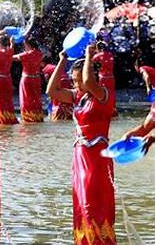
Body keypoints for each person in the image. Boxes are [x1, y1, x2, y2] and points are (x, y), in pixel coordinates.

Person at [46, 45, 116, 244]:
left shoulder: (103, 95)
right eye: (74, 81)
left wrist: (88, 55)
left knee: (94, 203)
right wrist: (62, 61)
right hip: (80, 155)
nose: (77, 85)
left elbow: (87, 80)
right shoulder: (77, 96)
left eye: (78, 81)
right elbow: (51, 90)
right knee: (81, 201)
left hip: (97, 157)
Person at [13, 36, 44, 122]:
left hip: (27, 80)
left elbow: (11, 57)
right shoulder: (39, 53)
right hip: (37, 79)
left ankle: (28, 119)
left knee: (26, 100)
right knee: (36, 100)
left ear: (28, 44)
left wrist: (11, 46)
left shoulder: (26, 54)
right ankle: (37, 118)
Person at [93, 41, 116, 116]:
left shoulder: (97, 56)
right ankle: (113, 110)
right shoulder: (110, 54)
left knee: (103, 95)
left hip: (103, 78)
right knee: (111, 94)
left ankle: (104, 111)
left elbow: (90, 62)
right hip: (111, 77)